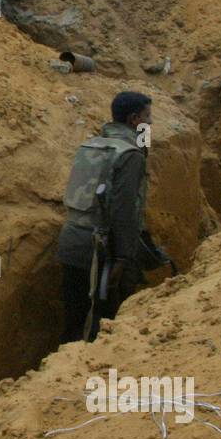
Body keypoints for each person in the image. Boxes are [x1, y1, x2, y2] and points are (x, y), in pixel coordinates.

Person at [56, 91, 162, 342]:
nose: (151, 123)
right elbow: (124, 212)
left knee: (75, 318)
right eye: (148, 117)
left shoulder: (91, 144)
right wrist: (124, 258)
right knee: (100, 326)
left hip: (71, 242)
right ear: (135, 119)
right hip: (101, 253)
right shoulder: (130, 155)